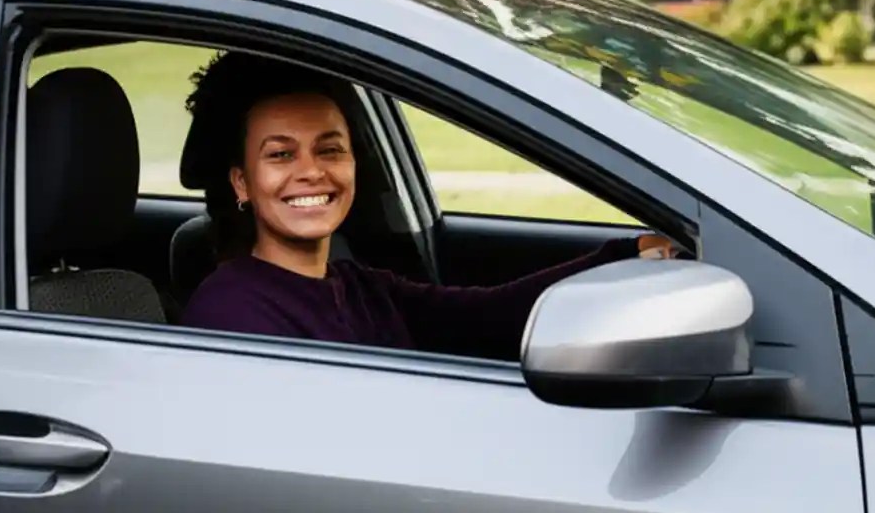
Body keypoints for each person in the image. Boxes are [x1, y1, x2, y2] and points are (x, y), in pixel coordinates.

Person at [179, 52, 680, 360]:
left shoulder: (359, 286)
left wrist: (626, 257)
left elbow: (488, 317)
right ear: (242, 183)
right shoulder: (231, 311)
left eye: (330, 149)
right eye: (281, 154)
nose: (312, 171)